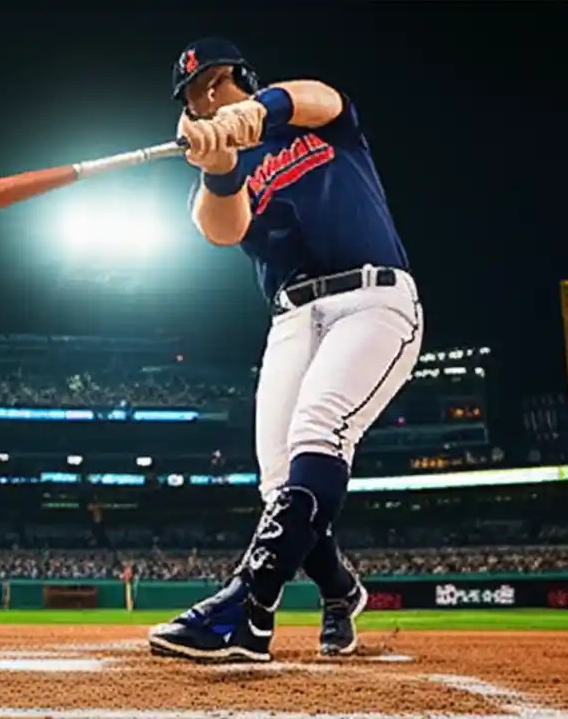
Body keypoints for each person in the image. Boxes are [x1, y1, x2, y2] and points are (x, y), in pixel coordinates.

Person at [147, 38, 423, 662]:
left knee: (320, 430)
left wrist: (260, 113)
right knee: (279, 479)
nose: (209, 96)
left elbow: (319, 97)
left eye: (218, 82)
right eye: (195, 94)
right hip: (294, 318)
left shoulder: (318, 121)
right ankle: (338, 589)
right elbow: (223, 230)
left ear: (243, 79)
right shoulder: (224, 175)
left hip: (372, 298)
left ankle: (248, 611)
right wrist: (219, 166)